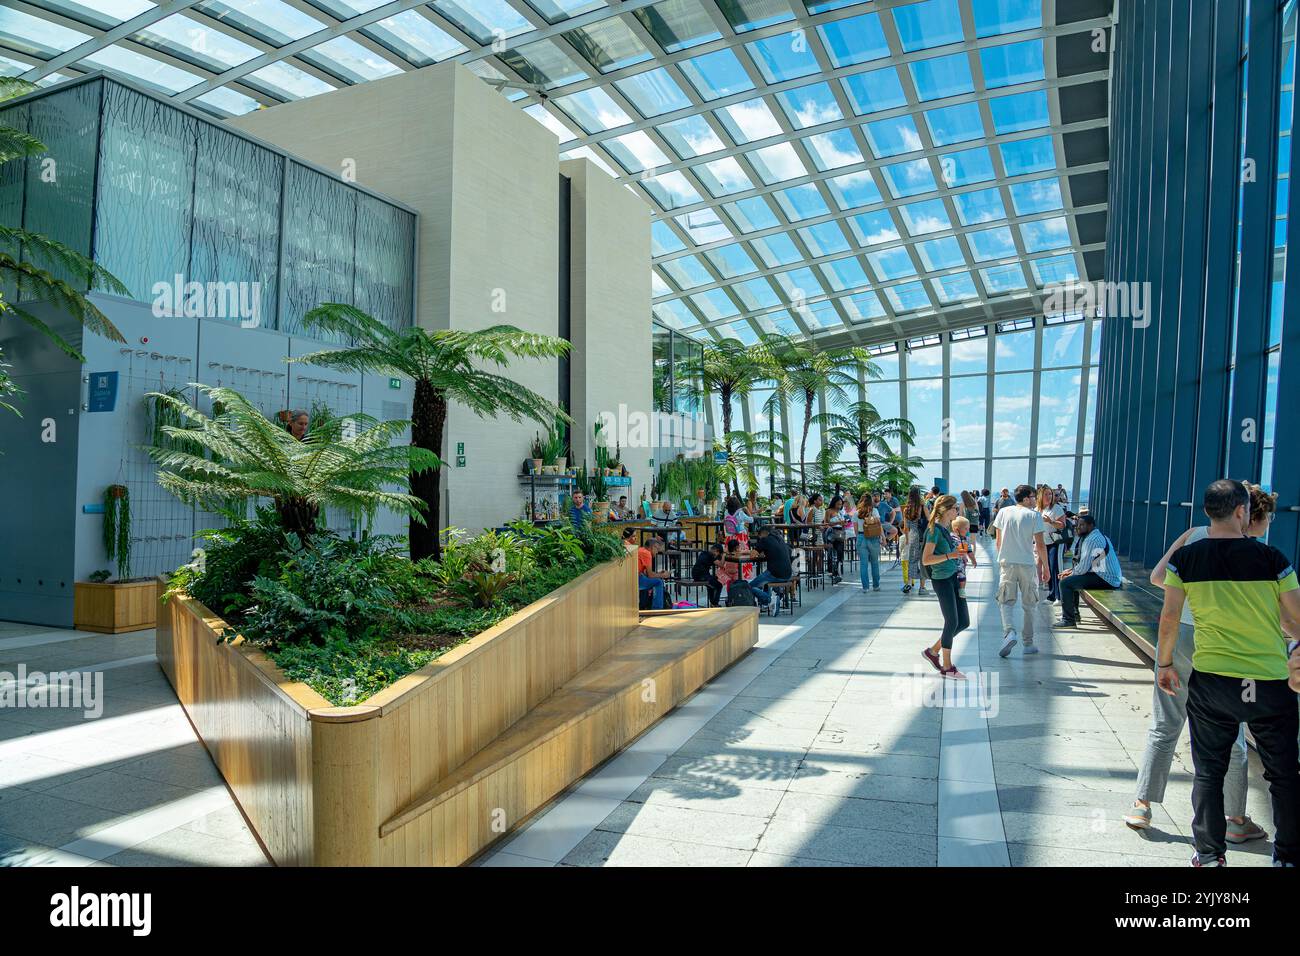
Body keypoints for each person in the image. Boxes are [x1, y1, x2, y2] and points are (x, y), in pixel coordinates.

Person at [1155, 479, 1300, 867]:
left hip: (1213, 681)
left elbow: (1169, 617)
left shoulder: (1185, 560)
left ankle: (1209, 854)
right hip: (1269, 682)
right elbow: (1296, 620)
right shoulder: (1273, 560)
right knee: (1284, 774)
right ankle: (1286, 856)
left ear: (1207, 512)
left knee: (1208, 772)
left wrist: (1165, 664)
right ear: (1242, 512)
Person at [1121, 489, 1272, 842]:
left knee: (1165, 723)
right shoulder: (1257, 555)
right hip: (1223, 647)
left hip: (1180, 639)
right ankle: (1235, 819)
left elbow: (1158, 578)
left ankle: (1142, 804)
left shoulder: (1193, 536)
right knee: (1230, 732)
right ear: (1248, 515)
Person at [992, 484, 1049, 658]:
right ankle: (1028, 643)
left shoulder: (1004, 512)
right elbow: (1040, 544)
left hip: (1007, 563)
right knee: (1029, 604)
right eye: (1033, 497)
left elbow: (998, 541)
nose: (1034, 500)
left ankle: (1009, 632)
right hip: (1027, 564)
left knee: (1005, 600)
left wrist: (1002, 558)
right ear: (1025, 498)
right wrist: (1046, 567)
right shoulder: (1034, 516)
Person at [919, 495, 971, 680]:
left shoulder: (945, 529)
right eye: (955, 508)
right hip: (942, 579)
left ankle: (933, 651)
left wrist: (958, 556)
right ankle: (947, 667)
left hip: (954, 577)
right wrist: (951, 555)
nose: (957, 511)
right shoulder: (933, 530)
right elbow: (926, 559)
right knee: (952, 621)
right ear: (946, 510)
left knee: (964, 621)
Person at [1054, 513, 1120, 627]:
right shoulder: (1098, 536)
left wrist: (1070, 574)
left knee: (1066, 583)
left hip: (1106, 579)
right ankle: (1073, 614)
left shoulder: (1091, 540)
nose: (1078, 527)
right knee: (1071, 578)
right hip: (1106, 575)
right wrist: (1071, 571)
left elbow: (1083, 568)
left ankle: (1069, 620)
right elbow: (1089, 563)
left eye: (1081, 525)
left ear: (1090, 526)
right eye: (1077, 525)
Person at [748, 525, 794, 617]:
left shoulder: (765, 540)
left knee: (749, 587)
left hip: (775, 573)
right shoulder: (779, 538)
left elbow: (752, 555)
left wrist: (753, 551)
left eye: (759, 536)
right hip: (788, 574)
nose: (759, 539)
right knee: (765, 582)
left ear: (762, 534)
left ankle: (769, 600)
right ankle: (767, 602)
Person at [1039, 485, 1067, 603]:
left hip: (1054, 542)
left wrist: (1050, 521)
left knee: (1055, 567)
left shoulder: (1056, 509)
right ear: (1040, 495)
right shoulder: (1038, 509)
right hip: (1042, 542)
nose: (1049, 496)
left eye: (1050, 494)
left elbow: (1062, 525)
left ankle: (1058, 596)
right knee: (1047, 568)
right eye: (1046, 494)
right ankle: (1051, 594)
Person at [901, 487, 928, 595]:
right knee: (922, 561)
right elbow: (930, 519)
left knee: (912, 560)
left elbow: (905, 527)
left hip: (912, 536)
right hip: (922, 536)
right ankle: (922, 588)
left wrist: (907, 539)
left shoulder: (906, 509)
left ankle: (908, 583)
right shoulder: (922, 506)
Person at [857, 493, 883, 591]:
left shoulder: (857, 513)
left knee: (863, 564)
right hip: (873, 538)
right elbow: (879, 526)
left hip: (861, 537)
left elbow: (856, 530)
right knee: (874, 563)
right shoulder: (875, 511)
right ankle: (876, 585)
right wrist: (882, 538)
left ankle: (865, 587)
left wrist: (859, 538)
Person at [637, 536, 669, 610]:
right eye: (657, 549)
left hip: (637, 576)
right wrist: (662, 575)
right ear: (652, 547)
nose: (657, 552)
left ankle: (644, 605)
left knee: (653, 579)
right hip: (636, 579)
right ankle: (657, 608)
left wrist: (658, 574)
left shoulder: (641, 550)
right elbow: (650, 575)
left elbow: (648, 573)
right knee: (658, 582)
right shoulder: (647, 553)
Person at [691, 543, 725, 607]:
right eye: (718, 554)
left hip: (696, 574)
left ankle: (713, 603)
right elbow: (721, 565)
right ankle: (715, 604)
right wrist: (723, 555)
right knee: (719, 585)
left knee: (712, 583)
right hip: (701, 576)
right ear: (716, 551)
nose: (717, 556)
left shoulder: (704, 553)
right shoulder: (711, 555)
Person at [951, 514, 977, 599]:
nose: (967, 531)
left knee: (962, 577)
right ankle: (954, 590)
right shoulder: (952, 538)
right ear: (956, 529)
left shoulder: (966, 539)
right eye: (965, 529)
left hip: (961, 564)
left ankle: (962, 590)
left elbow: (969, 551)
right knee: (953, 578)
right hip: (952, 563)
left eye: (968, 529)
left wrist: (973, 559)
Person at [824, 496, 846, 584]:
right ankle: (833, 572)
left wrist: (844, 524)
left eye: (841, 504)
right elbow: (827, 522)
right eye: (838, 504)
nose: (839, 506)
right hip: (832, 533)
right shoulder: (828, 511)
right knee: (832, 553)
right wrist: (838, 522)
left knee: (840, 552)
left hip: (840, 533)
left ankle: (837, 571)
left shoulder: (840, 512)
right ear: (834, 503)